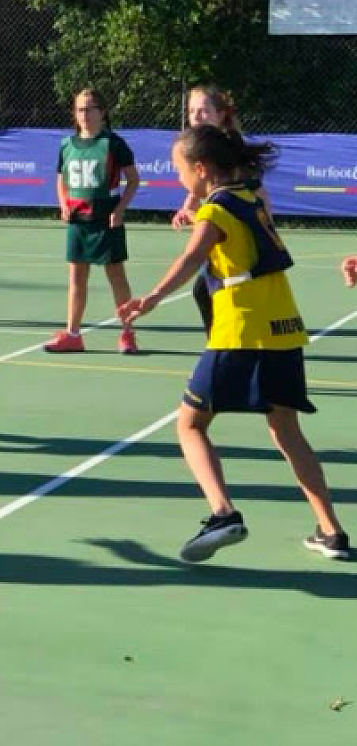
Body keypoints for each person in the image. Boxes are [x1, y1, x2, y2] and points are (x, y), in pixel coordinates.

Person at [119, 124, 350, 562]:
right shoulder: (248, 198)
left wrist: (150, 297)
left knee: (189, 424)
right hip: (284, 327)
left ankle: (223, 513)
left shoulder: (215, 210)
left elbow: (192, 257)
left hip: (242, 330)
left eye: (179, 169)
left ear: (201, 169)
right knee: (286, 428)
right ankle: (331, 531)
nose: (177, 178)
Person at [171, 85, 274, 335]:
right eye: (192, 111)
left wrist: (197, 216)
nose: (196, 116)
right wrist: (186, 209)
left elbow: (233, 200)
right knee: (206, 290)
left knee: (210, 288)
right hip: (232, 231)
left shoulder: (228, 152)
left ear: (220, 115)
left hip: (246, 232)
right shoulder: (203, 150)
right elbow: (201, 189)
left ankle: (225, 344)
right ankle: (223, 342)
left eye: (203, 111)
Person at [44, 88, 141, 354]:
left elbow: (133, 180)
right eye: (79, 109)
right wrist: (63, 203)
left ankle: (128, 333)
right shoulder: (66, 145)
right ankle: (73, 334)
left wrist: (120, 209)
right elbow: (61, 179)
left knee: (116, 277)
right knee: (76, 277)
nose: (84, 115)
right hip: (78, 221)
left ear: (102, 112)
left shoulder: (113, 144)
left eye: (89, 109)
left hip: (105, 219)